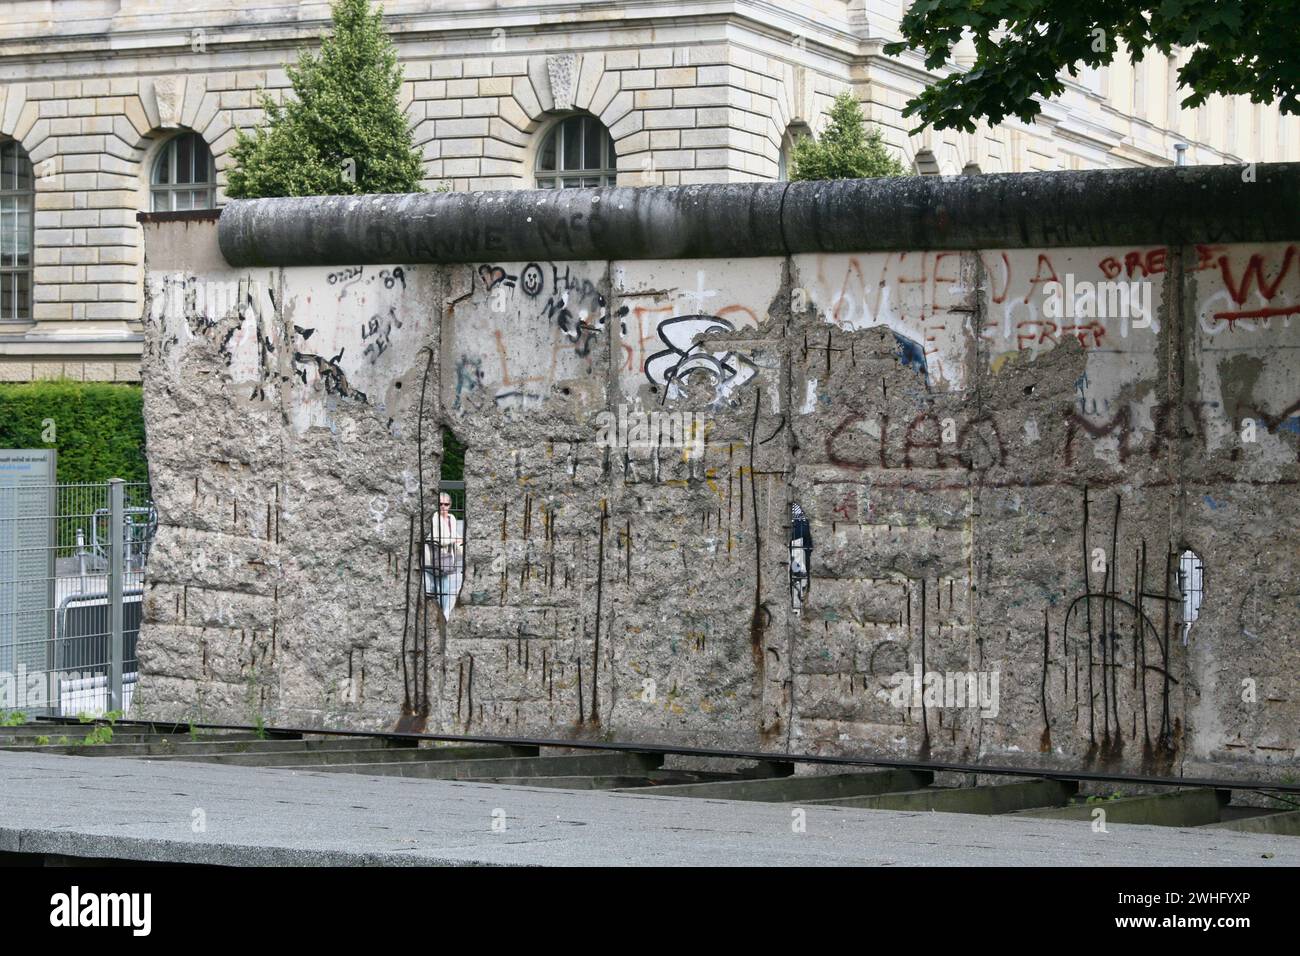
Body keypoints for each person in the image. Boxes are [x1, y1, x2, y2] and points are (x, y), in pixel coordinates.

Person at [424, 493, 463, 619]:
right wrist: (453, 540)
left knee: (443, 588)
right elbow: (438, 539)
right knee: (437, 588)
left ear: (450, 505)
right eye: (440, 504)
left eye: (446, 504)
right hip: (432, 557)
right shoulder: (435, 518)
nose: (443, 506)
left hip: (445, 558)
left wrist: (462, 548)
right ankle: (440, 617)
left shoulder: (451, 518)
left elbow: (455, 535)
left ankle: (442, 616)